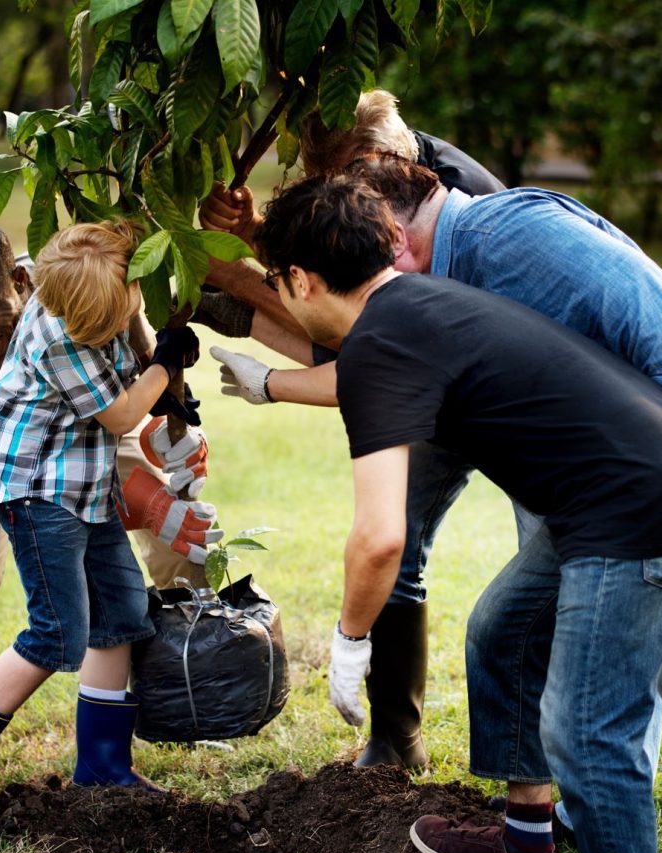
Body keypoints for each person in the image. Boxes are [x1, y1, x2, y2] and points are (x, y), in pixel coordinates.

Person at [219, 157, 662, 853]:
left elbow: (379, 538)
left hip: (643, 499)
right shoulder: (422, 300)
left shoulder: (484, 254)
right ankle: (528, 848)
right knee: (503, 632)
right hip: (621, 483)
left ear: (303, 282)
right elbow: (363, 376)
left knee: (591, 730)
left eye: (277, 284)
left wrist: (349, 643)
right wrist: (266, 382)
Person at [199, 89, 505, 770]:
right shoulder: (384, 179)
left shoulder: (450, 209)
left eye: (342, 184)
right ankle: (395, 742)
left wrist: (239, 283)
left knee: (514, 598)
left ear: (377, 161)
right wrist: (253, 238)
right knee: (404, 546)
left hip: (517, 399)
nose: (339, 198)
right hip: (444, 374)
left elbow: (369, 346)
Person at [0, 220, 217, 770]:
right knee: (1, 583)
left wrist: (167, 419)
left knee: (131, 597)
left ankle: (142, 735)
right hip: (22, 467)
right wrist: (143, 500)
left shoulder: (80, 280)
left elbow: (133, 367)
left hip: (87, 438)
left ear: (21, 281)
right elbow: (13, 479)